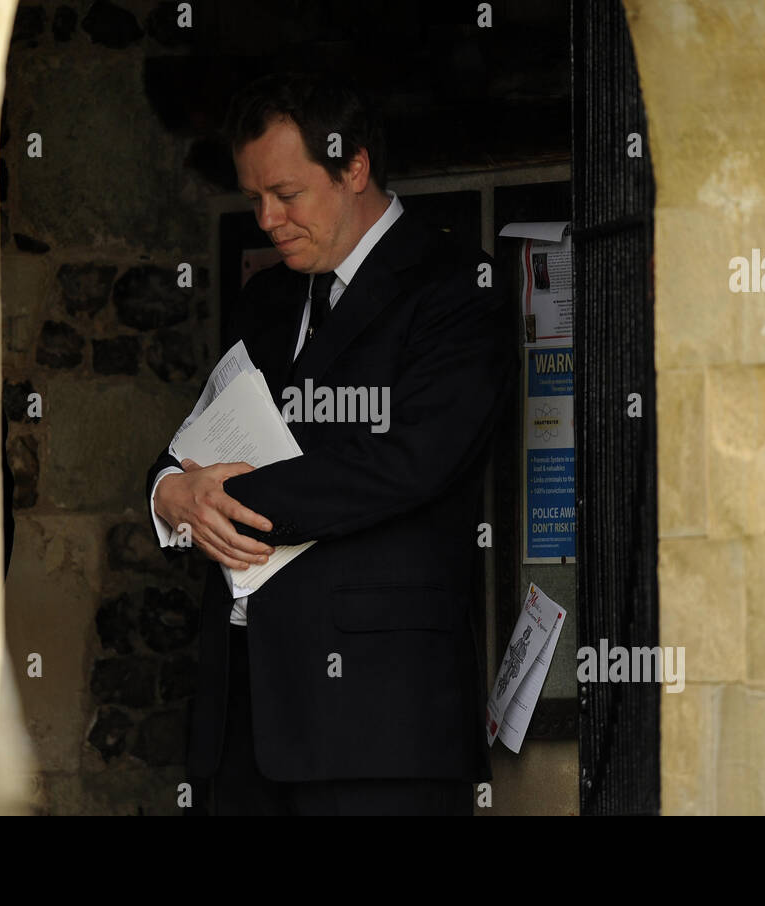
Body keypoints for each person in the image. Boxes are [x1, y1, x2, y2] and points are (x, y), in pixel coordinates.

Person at [146, 71, 517, 815]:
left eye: (286, 193)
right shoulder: (268, 298)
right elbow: (197, 435)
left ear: (355, 166)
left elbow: (407, 464)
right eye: (254, 198)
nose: (267, 218)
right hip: (246, 712)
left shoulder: (457, 286)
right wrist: (171, 492)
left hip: (381, 720)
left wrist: (224, 496)